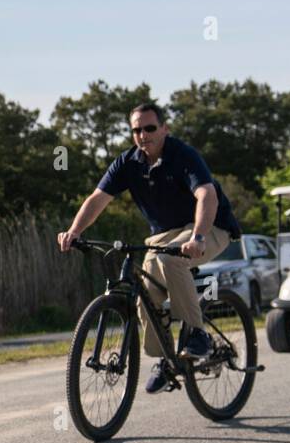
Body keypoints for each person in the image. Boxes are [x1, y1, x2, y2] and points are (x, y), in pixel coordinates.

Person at [58, 103, 242, 394]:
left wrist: (198, 237)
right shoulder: (128, 163)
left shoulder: (183, 156)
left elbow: (207, 195)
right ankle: (166, 360)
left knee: (173, 260)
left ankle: (197, 334)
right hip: (163, 236)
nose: (142, 135)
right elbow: (98, 198)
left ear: (164, 129)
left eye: (149, 128)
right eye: (136, 130)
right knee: (145, 293)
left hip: (209, 228)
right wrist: (74, 231)